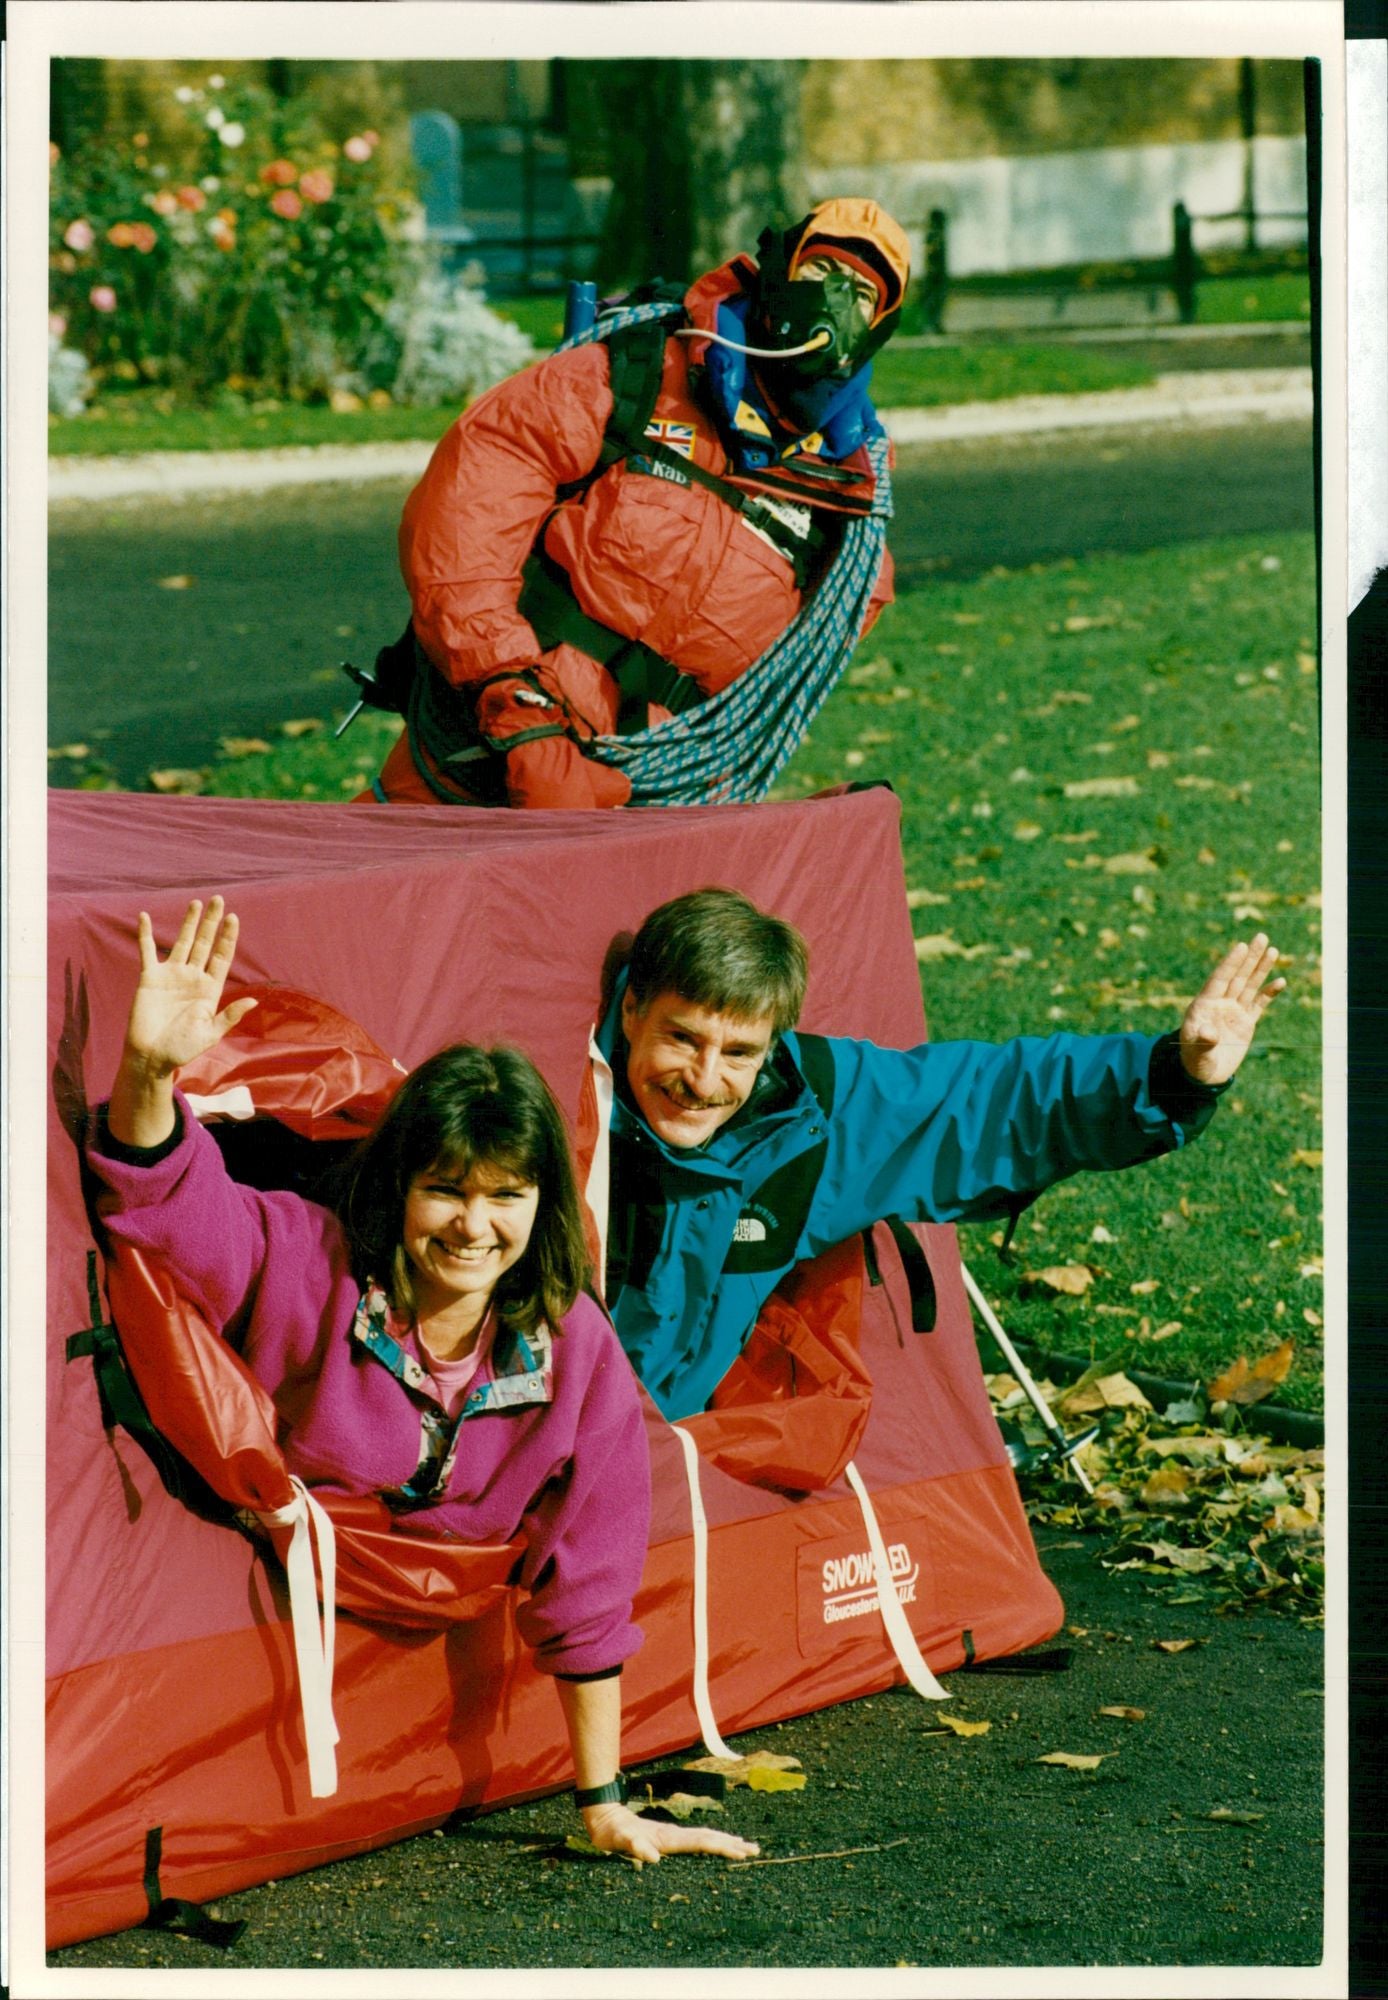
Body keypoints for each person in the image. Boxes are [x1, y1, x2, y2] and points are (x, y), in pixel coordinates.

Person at [85, 896, 758, 1867]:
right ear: (397, 1186)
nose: (472, 1226)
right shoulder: (306, 1260)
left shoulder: (570, 1346)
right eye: (445, 1188)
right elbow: (171, 1206)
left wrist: (602, 1799)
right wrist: (150, 1071)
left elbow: (592, 1562)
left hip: (440, 1604)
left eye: (505, 1197)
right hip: (275, 1591)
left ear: (541, 1205)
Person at [580, 888, 1287, 1421]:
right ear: (634, 1010)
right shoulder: (562, 1103)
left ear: (771, 1047)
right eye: (682, 1039)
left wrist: (1172, 1075)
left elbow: (988, 1103)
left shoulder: (807, 1115)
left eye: (737, 1052)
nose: (703, 1080)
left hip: (661, 1470)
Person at [363, 198, 910, 809]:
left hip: (647, 802)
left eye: (863, 294)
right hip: (476, 746)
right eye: (823, 273)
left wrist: (652, 787)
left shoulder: (848, 512)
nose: (838, 300)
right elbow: (468, 514)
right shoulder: (633, 375)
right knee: (369, 896)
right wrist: (514, 704)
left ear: (878, 329)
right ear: (780, 271)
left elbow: (781, 690)